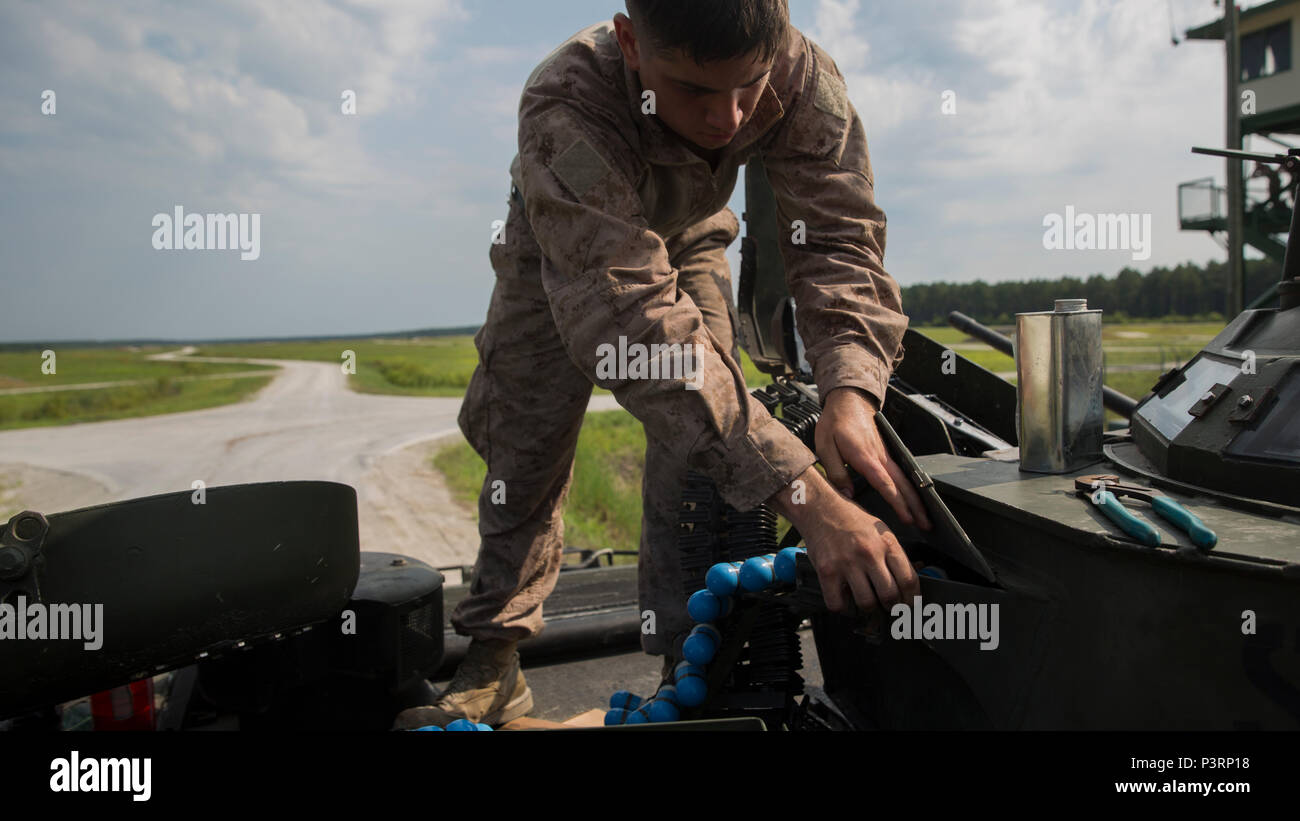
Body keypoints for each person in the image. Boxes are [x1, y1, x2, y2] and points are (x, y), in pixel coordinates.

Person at [393, 0, 930, 730]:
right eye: (696, 91)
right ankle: (493, 657)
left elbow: (838, 237)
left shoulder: (802, 74)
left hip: (691, 235)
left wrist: (852, 386)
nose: (729, 120)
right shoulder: (566, 104)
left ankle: (695, 667)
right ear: (630, 43)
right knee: (524, 437)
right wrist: (807, 497)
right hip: (568, 243)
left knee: (707, 452)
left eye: (749, 88)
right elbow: (636, 320)